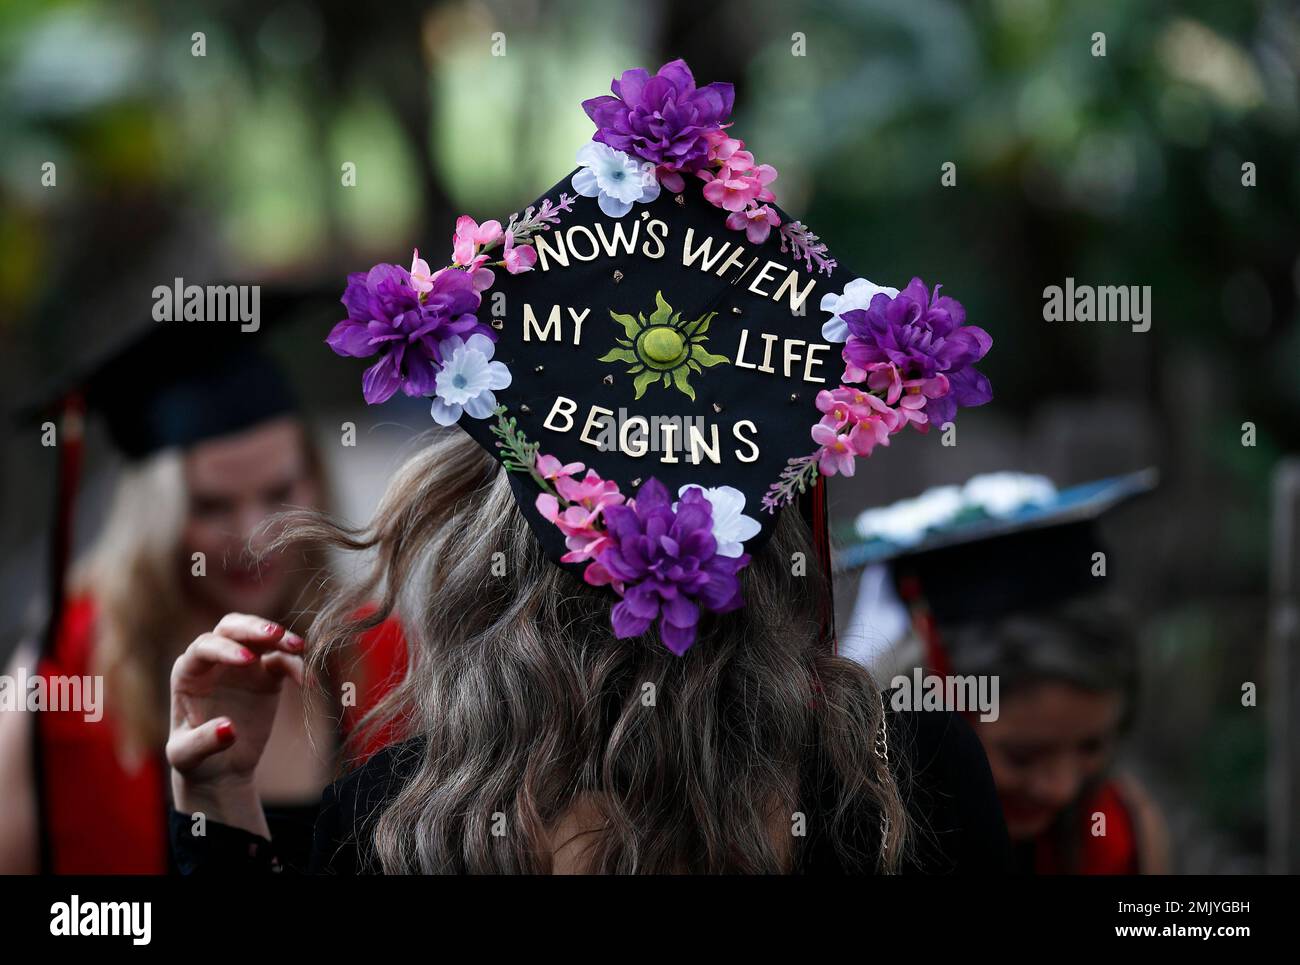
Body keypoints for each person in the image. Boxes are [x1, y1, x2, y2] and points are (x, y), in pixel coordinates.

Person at [167, 58, 1007, 874]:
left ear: (496, 527)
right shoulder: (906, 783)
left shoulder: (403, 823)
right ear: (777, 522)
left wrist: (217, 806)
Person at [0, 335, 404, 873]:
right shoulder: (60, 684)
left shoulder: (382, 650)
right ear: (155, 515)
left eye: (278, 492)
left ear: (315, 480)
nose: (254, 536)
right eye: (211, 506)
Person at [839, 471, 1170, 873]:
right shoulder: (841, 846)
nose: (1061, 788)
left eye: (1091, 747)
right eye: (1022, 756)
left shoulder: (1122, 834)